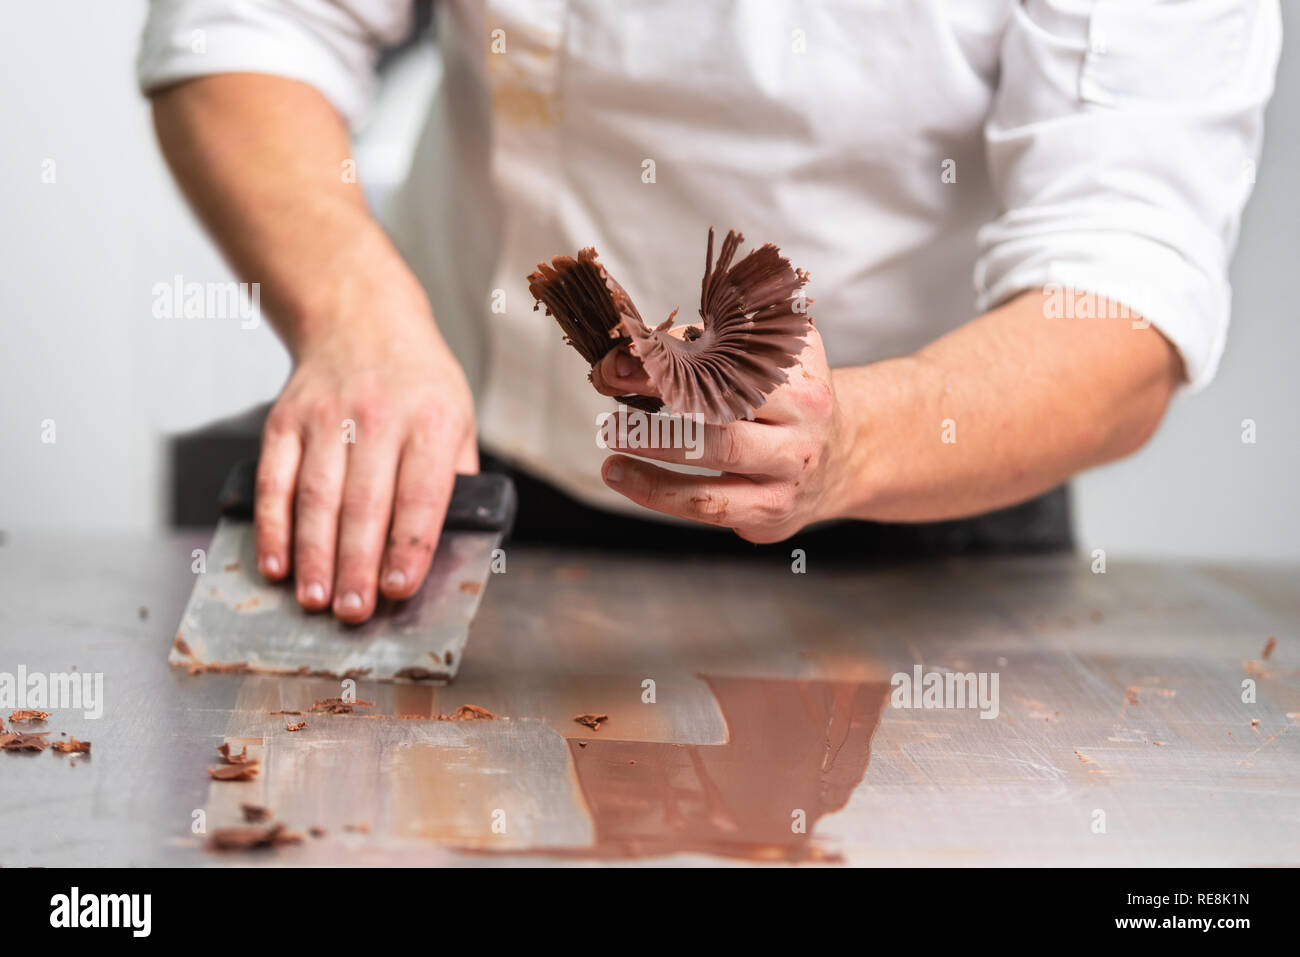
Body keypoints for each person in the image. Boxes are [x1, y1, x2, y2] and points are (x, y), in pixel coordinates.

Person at [138, 0, 1281, 622]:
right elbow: (254, 27)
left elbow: (1123, 288)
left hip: (922, 534)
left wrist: (856, 440)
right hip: (466, 472)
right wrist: (354, 311)